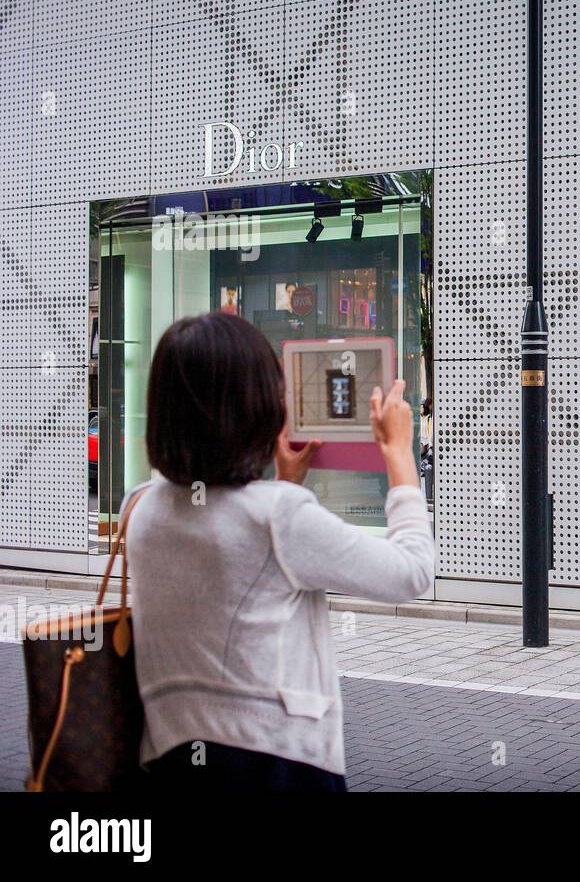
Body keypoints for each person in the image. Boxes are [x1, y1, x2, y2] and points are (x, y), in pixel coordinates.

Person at [124, 312, 437, 792]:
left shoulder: (140, 509)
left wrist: (283, 483)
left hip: (168, 757)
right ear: (255, 407)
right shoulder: (279, 517)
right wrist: (396, 452)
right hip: (276, 764)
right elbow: (411, 572)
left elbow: (230, 554)